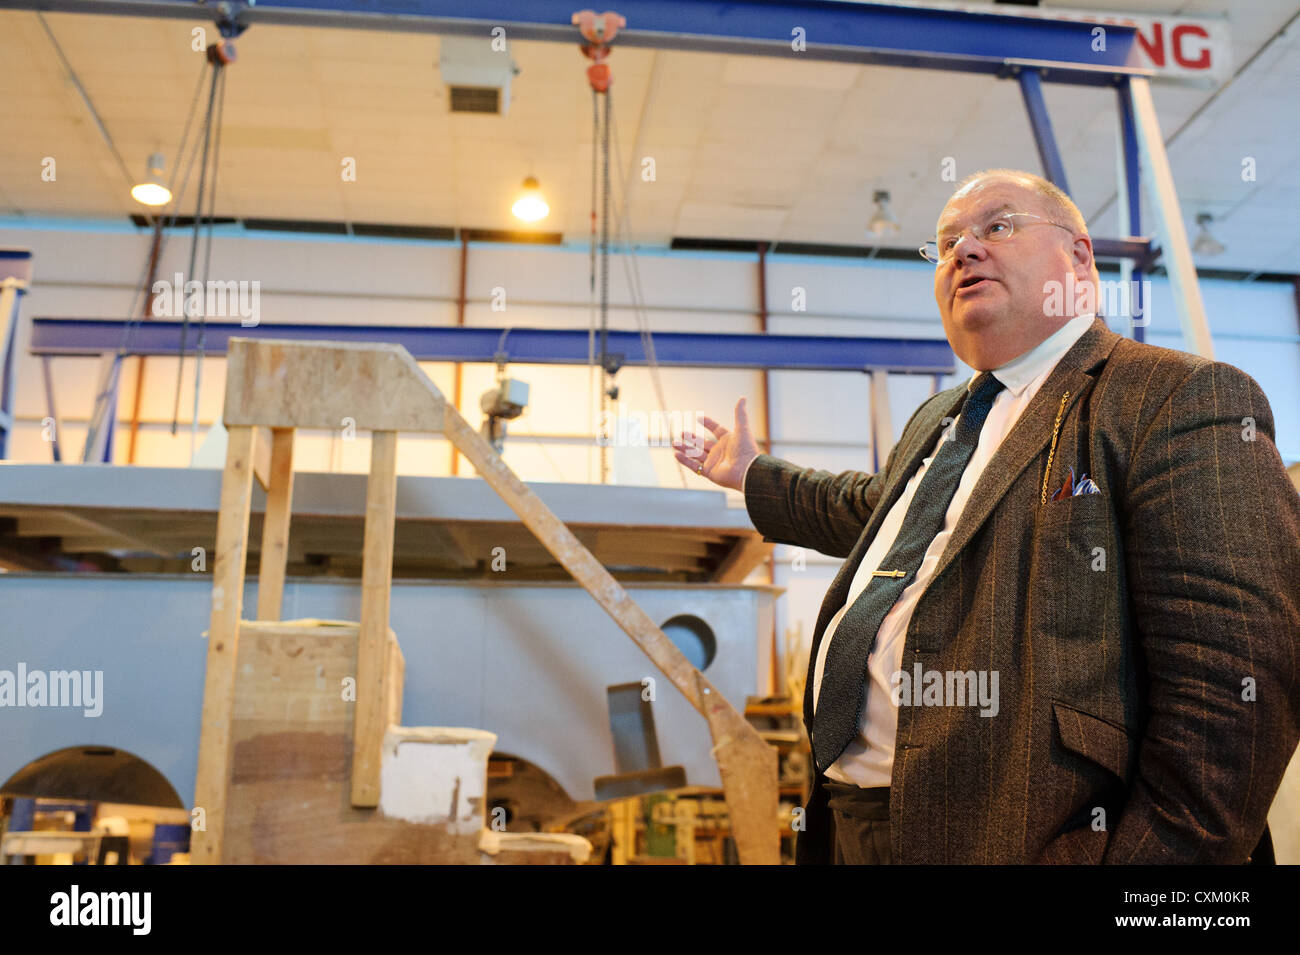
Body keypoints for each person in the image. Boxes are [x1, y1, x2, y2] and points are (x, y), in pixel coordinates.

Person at [672, 169, 1300, 864]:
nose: (964, 250)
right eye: (946, 244)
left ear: (1079, 258)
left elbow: (1239, 694)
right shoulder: (939, 421)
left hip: (1027, 834)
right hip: (855, 823)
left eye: (997, 227)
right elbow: (871, 514)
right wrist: (751, 474)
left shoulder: (1172, 398)